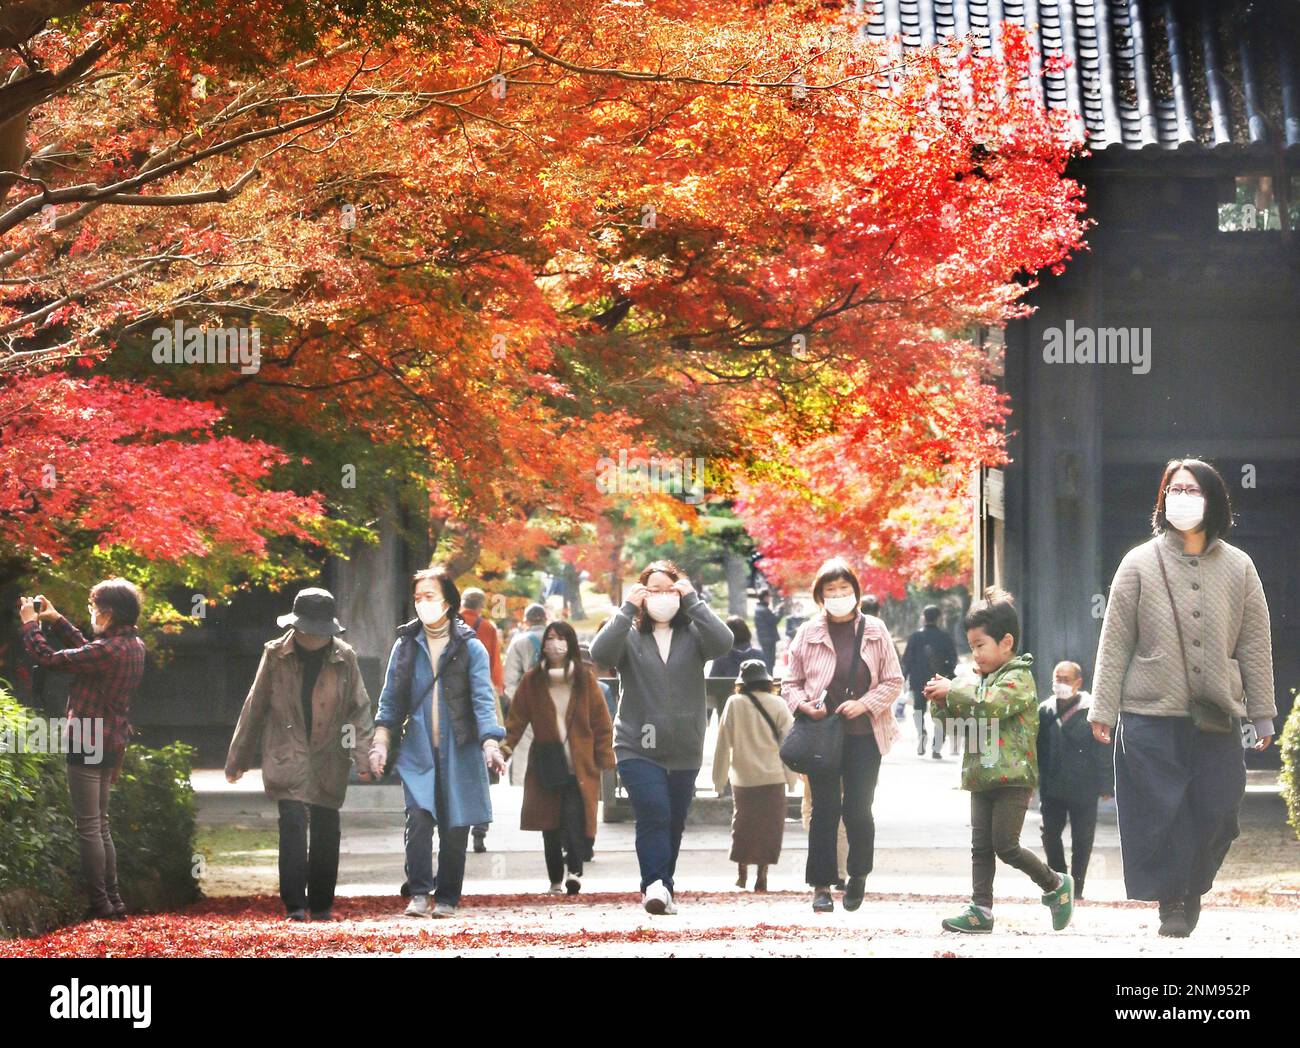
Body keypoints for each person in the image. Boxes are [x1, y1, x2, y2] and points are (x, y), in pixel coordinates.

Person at [1089, 458, 1275, 937]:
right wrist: (1103, 707)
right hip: (1148, 711)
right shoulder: (1138, 562)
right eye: (1174, 489)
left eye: (1192, 489)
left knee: (1219, 808)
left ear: (1211, 500)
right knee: (1161, 811)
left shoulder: (1239, 566)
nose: (1182, 497)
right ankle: (1173, 900)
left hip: (1216, 714)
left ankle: (1192, 884)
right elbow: (1115, 641)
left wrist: (1263, 713)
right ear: (1162, 498)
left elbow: (1254, 642)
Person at [925, 588, 1073, 934]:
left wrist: (957, 690)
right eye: (972, 646)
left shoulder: (1019, 678)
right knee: (980, 847)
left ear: (1006, 642)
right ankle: (981, 909)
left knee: (1005, 845)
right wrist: (940, 700)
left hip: (1012, 778)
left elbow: (992, 704)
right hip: (981, 775)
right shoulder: (978, 683)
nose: (975, 654)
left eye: (980, 645)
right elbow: (955, 726)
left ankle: (1054, 885)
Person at [590, 559, 732, 914]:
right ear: (642, 594)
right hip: (637, 743)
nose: (662, 597)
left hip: (685, 745)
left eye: (669, 589)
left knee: (673, 820)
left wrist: (694, 602)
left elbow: (724, 643)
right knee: (653, 812)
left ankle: (663, 887)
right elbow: (599, 654)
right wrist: (626, 609)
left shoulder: (694, 635)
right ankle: (653, 883)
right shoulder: (630, 636)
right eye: (653, 590)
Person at [225, 587, 375, 921]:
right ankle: (294, 904)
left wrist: (364, 759)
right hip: (286, 747)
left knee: (326, 823)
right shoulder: (275, 653)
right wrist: (239, 758)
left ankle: (321, 904)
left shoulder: (344, 656)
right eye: (306, 630)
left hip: (328, 752)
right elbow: (256, 704)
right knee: (292, 821)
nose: (312, 638)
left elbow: (360, 709)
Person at [370, 567, 506, 918]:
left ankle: (447, 897)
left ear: (448, 600)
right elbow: (390, 700)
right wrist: (381, 742)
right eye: (418, 598)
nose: (423, 603)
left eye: (429, 596)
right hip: (416, 750)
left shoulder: (470, 647)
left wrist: (491, 743)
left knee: (455, 825)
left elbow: (482, 699)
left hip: (459, 749)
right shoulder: (405, 645)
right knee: (417, 821)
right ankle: (418, 891)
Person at [19, 579, 147, 921]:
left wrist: (30, 625)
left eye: (93, 608)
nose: (91, 613)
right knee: (100, 824)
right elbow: (88, 652)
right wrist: (58, 620)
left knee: (89, 826)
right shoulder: (131, 645)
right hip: (111, 739)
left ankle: (100, 904)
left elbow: (49, 658)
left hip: (87, 737)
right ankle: (114, 900)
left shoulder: (107, 651)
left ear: (106, 613)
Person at [782, 558, 903, 913]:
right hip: (822, 734)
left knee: (858, 808)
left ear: (856, 592)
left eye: (844, 589)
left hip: (865, 734)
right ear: (820, 596)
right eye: (830, 590)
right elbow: (790, 683)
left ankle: (859, 874)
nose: (838, 596)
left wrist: (865, 704)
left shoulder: (876, 630)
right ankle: (820, 885)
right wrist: (805, 705)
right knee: (824, 809)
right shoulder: (808, 633)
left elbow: (893, 681)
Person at [501, 621, 615, 894]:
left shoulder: (585, 679)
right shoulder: (532, 680)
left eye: (562, 638)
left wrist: (605, 756)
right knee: (549, 823)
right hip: (546, 762)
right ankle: (555, 878)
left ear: (571, 643)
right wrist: (503, 750)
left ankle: (575, 871)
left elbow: (601, 721)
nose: (555, 644)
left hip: (580, 762)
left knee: (576, 818)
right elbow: (516, 720)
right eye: (550, 638)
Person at [712, 659, 796, 892]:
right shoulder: (778, 704)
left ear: (742, 683)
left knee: (743, 824)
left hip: (743, 777)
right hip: (773, 776)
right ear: (767, 681)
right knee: (770, 827)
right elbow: (788, 743)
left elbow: (722, 743)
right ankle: (762, 875)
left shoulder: (734, 703)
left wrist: (718, 780)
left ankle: (741, 873)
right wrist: (791, 779)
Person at [1038, 661, 1112, 899]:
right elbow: (1039, 748)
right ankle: (1060, 883)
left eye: (1066, 679)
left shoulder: (1091, 711)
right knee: (1049, 834)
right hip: (1052, 786)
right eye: (1057, 679)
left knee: (1082, 838)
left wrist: (1105, 784)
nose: (1060, 684)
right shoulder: (1045, 710)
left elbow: (1102, 750)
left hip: (1084, 786)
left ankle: (1077, 888)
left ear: (1079, 683)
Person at [461, 587, 506, 854]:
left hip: (454, 699)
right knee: (482, 766)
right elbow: (494, 663)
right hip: (483, 694)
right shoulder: (487, 627)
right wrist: (496, 690)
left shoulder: (450, 624)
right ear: (481, 605)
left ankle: (459, 825)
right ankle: (479, 828)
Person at [902, 605, 958, 758]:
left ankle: (921, 734)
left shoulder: (915, 637)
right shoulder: (945, 637)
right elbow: (953, 658)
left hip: (918, 679)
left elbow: (907, 660)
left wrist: (904, 677)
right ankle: (937, 747)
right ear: (939, 618)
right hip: (938, 680)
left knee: (918, 710)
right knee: (940, 712)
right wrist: (948, 672)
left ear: (923, 617)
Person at [503, 602, 548, 786]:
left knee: (522, 752)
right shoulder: (560, 638)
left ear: (526, 621)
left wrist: (520, 703)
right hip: (558, 704)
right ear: (545, 619)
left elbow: (510, 679)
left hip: (528, 704)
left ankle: (519, 793)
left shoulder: (519, 641)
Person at [706, 615, 765, 725]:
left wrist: (707, 716)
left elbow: (711, 688)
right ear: (747, 632)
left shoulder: (721, 658)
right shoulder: (759, 656)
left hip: (728, 716)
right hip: (757, 715)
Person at [752, 590, 782, 673]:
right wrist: (780, 611)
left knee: (767, 658)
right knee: (770, 660)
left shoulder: (758, 609)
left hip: (763, 638)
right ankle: (769, 677)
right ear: (765, 597)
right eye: (769, 597)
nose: (770, 598)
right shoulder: (764, 610)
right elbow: (774, 620)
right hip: (769, 639)